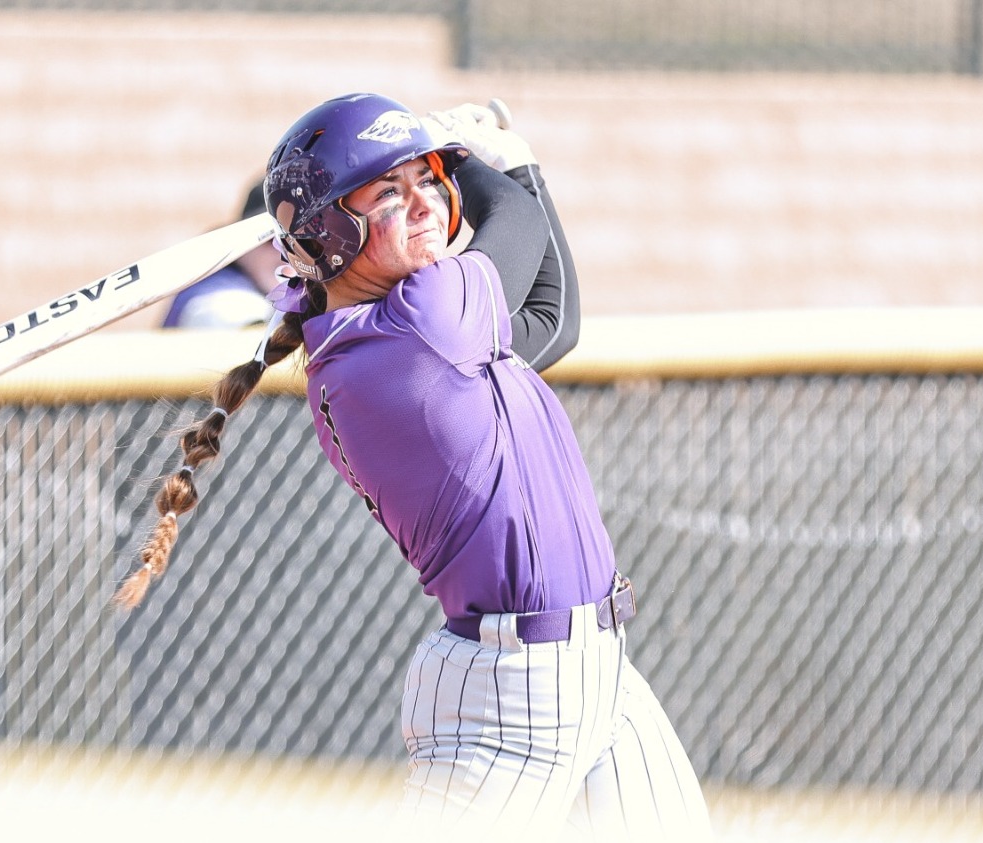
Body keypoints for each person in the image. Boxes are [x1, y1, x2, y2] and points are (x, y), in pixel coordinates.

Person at [116, 93, 713, 838]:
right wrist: (463, 153)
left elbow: (554, 322)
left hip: (599, 667)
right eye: (390, 193)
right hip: (513, 695)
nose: (427, 202)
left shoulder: (413, 333)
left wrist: (508, 161)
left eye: (428, 181)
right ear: (329, 233)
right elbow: (516, 222)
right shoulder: (417, 331)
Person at [160, 179, 284, 329]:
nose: (288, 253)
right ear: (243, 246)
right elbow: (219, 313)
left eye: (300, 240)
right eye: (272, 239)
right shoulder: (209, 286)